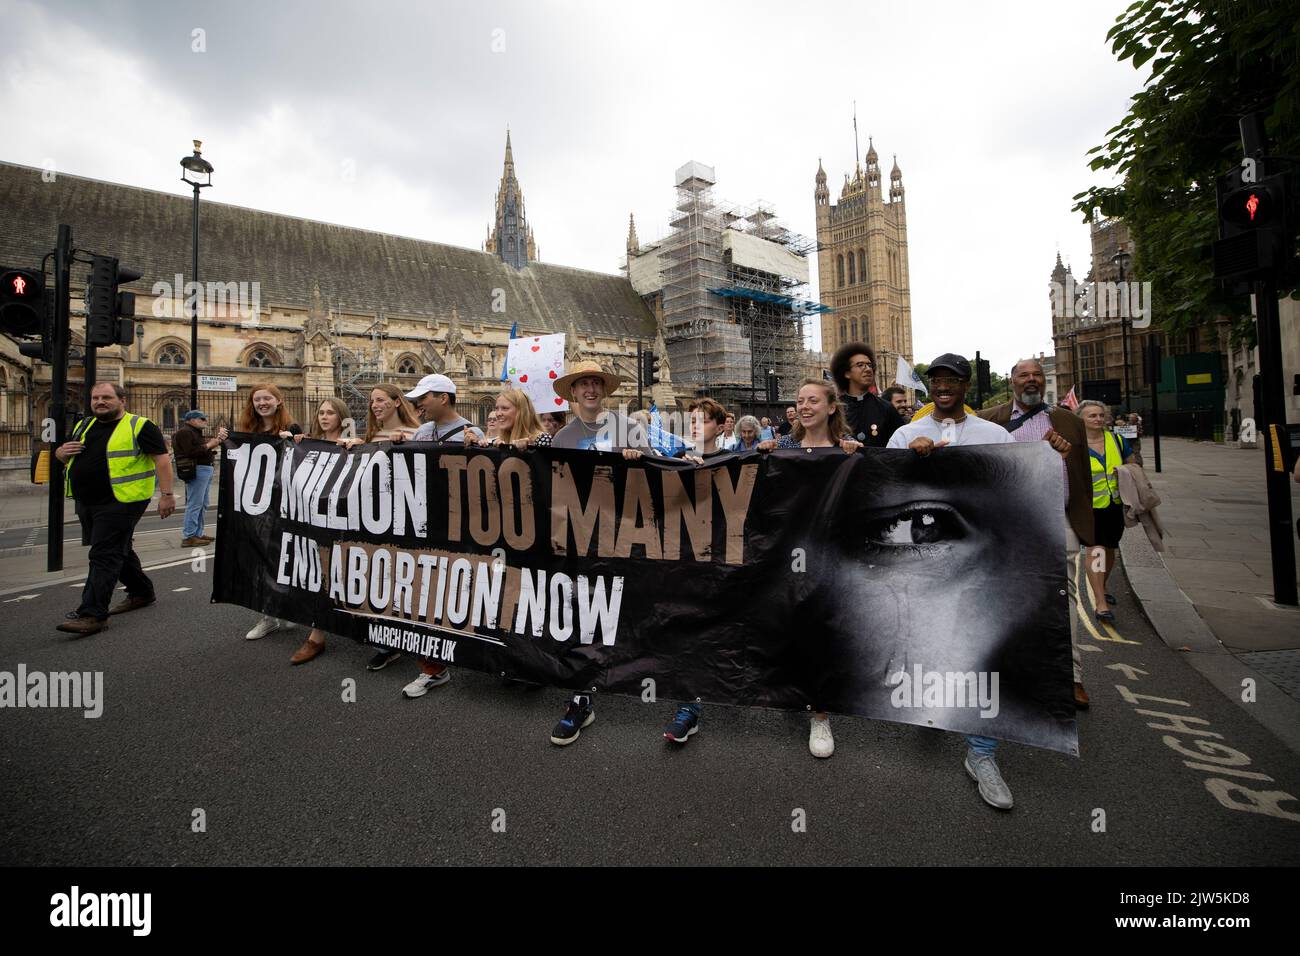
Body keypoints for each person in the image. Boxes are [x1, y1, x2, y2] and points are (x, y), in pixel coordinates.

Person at [889, 355, 1026, 811]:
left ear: (967, 386)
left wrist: (1053, 457)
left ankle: (982, 754)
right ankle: (933, 705)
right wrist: (910, 464)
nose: (944, 388)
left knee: (980, 655)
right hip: (924, 565)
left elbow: (1020, 488)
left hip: (981, 565)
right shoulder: (906, 434)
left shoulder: (994, 436)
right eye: (937, 382)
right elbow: (883, 493)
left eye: (952, 381)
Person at [978, 357, 1094, 708]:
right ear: (1012, 381)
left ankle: (1071, 677)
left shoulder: (1069, 423)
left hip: (1058, 520)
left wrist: (1064, 454)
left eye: (1037, 375)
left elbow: (1082, 475)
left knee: (1064, 602)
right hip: (1009, 525)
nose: (1031, 380)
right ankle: (1014, 673)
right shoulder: (990, 420)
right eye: (1024, 375)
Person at [548, 359, 652, 745]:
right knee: (582, 617)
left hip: (624, 539)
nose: (590, 389)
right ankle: (581, 699)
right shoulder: (562, 438)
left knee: (628, 613)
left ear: (604, 391)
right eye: (583, 384)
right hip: (580, 540)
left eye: (596, 383)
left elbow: (658, 476)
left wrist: (639, 459)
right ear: (573, 393)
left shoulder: (629, 429)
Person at [759, 379, 862, 758]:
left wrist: (856, 457)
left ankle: (820, 714)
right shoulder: (783, 447)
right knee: (787, 627)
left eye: (812, 400)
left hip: (828, 556)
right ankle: (790, 694)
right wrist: (762, 452)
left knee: (821, 632)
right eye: (800, 400)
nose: (804, 406)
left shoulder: (845, 450)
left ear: (831, 406)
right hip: (784, 555)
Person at [53, 382, 175, 636]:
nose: (100, 401)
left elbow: (162, 460)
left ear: (122, 400)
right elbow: (67, 455)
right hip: (87, 500)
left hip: (123, 500)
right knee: (119, 549)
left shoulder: (140, 425)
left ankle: (92, 614)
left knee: (103, 554)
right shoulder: (83, 424)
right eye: (95, 397)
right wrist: (60, 453)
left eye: (106, 397)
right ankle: (141, 592)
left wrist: (167, 495)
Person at [662, 398, 733, 743]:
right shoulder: (674, 459)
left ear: (720, 428)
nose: (694, 426)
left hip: (727, 558)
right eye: (690, 420)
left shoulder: (737, 460)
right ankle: (688, 708)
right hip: (686, 560)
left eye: (702, 421)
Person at [284, 398, 355, 665]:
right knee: (319, 574)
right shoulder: (307, 443)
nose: (325, 417)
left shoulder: (354, 445)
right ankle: (316, 636)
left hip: (343, 520)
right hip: (313, 519)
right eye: (321, 412)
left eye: (331, 413)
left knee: (346, 574)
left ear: (342, 416)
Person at [239, 384, 303, 642]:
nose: (262, 403)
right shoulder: (246, 430)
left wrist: (296, 442)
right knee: (260, 558)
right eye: (257, 399)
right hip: (255, 502)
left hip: (284, 501)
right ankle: (267, 616)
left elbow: (304, 459)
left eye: (267, 398)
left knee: (283, 556)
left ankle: (285, 607)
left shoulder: (293, 427)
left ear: (279, 401)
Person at [1078, 399, 1136, 624]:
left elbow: (1133, 465)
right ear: (1080, 419)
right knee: (1096, 549)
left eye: (1101, 415)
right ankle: (1100, 603)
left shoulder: (1117, 440)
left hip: (1115, 505)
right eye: (1092, 415)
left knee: (1110, 549)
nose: (1098, 419)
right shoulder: (1076, 445)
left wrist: (1124, 470)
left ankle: (1100, 584)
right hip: (1090, 508)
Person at [831, 341, 904, 448]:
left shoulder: (886, 408)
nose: (868, 369)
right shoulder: (835, 408)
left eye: (869, 365)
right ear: (847, 373)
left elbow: (902, 441)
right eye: (860, 365)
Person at [171, 409, 227, 548]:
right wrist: (209, 445)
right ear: (191, 420)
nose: (205, 421)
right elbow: (190, 452)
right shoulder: (185, 432)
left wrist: (213, 445)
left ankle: (198, 533)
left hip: (203, 469)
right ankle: (189, 536)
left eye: (205, 418)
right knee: (195, 503)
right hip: (197, 470)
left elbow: (198, 450)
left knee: (203, 503)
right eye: (202, 419)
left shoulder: (194, 432)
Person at [405, 373, 484, 445]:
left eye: (422, 398)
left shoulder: (473, 434)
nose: (418, 404)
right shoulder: (421, 431)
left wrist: (475, 448)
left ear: (443, 399)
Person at [467, 388, 552, 448]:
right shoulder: (500, 441)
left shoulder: (542, 439)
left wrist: (529, 450)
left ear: (521, 411)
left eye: (505, 408)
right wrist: (482, 449)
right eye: (497, 408)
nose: (498, 414)